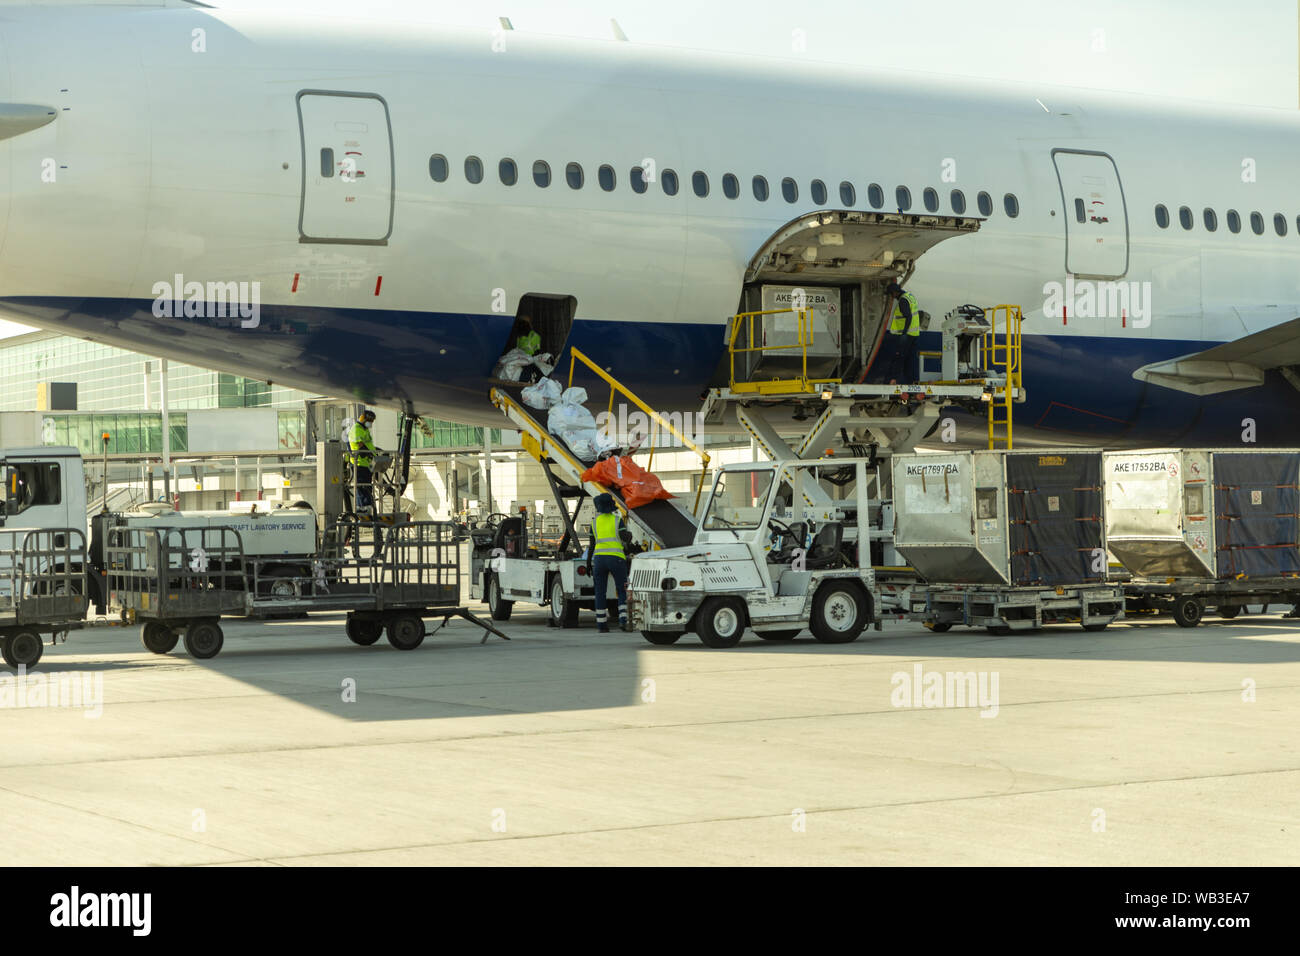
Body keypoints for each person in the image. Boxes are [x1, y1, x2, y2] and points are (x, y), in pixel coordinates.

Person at [587, 493, 633, 632]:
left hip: (599, 560)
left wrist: (589, 563)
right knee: (621, 590)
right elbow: (625, 538)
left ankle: (601, 624)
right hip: (616, 559)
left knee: (600, 592)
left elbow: (592, 545)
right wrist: (629, 535)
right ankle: (623, 621)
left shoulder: (594, 523)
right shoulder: (617, 520)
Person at [885, 281, 921, 384]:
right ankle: (911, 381)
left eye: (891, 294)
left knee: (899, 356)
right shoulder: (909, 296)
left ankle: (893, 380)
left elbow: (908, 316)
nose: (892, 297)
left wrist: (904, 333)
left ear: (894, 292)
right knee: (910, 359)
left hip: (907, 335)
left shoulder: (902, 301)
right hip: (914, 334)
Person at [348, 408, 379, 516]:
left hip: (366, 463)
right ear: (365, 419)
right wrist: (369, 453)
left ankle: (368, 507)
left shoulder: (365, 429)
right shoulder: (356, 429)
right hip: (359, 463)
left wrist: (376, 451)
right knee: (361, 486)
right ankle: (362, 508)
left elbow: (368, 444)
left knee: (367, 486)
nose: (371, 424)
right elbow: (360, 445)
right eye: (371, 421)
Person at [515, 315, 542, 382]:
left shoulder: (534, 336)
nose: (522, 326)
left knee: (527, 369)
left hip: (529, 361)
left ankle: (522, 383)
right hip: (519, 358)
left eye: (524, 323)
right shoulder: (519, 337)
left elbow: (537, 353)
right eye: (520, 323)